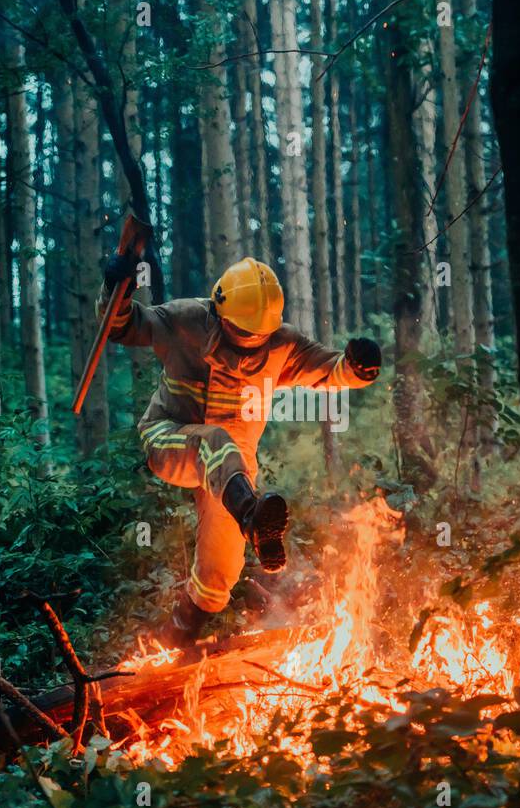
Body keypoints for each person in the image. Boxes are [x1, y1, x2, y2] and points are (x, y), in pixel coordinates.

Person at [99, 252, 382, 647]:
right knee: (216, 440)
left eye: (258, 338)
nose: (249, 347)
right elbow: (126, 326)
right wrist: (117, 290)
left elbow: (330, 371)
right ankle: (251, 517)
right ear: (218, 312)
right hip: (171, 438)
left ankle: (176, 640)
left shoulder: (282, 344)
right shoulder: (185, 320)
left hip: (233, 478)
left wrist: (358, 368)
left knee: (219, 576)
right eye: (242, 334)